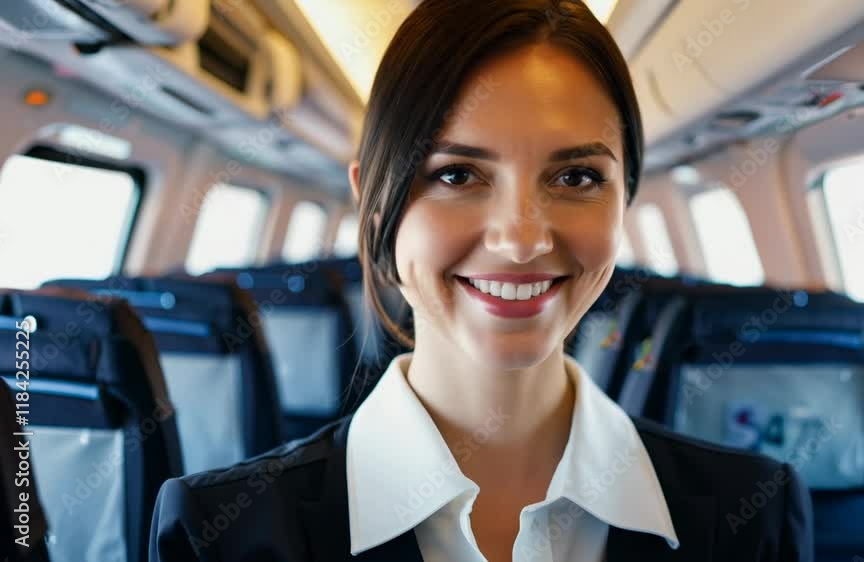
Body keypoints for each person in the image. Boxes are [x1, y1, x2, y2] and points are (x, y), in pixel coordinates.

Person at [149, 1, 813, 560]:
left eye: (576, 177)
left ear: (626, 200)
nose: (520, 238)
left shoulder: (752, 516)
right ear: (372, 205)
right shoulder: (220, 533)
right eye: (456, 175)